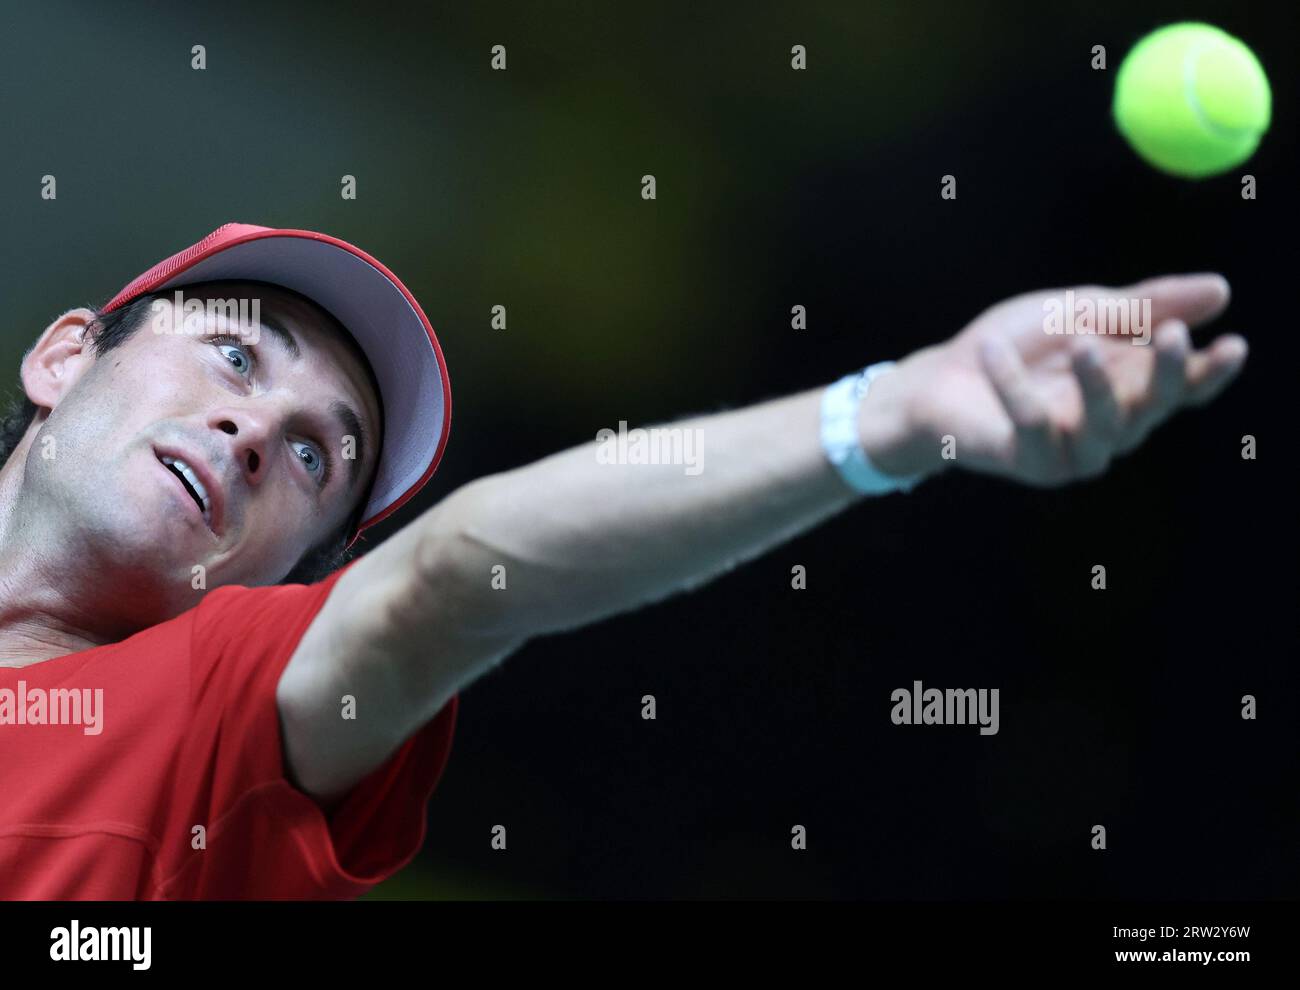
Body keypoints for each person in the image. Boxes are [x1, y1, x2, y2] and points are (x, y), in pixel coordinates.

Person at [0, 223, 1248, 899]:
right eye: (236, 355)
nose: (260, 430)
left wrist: (890, 413)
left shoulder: (209, 725)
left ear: (285, 585)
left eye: (324, 458)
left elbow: (444, 577)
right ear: (65, 359)